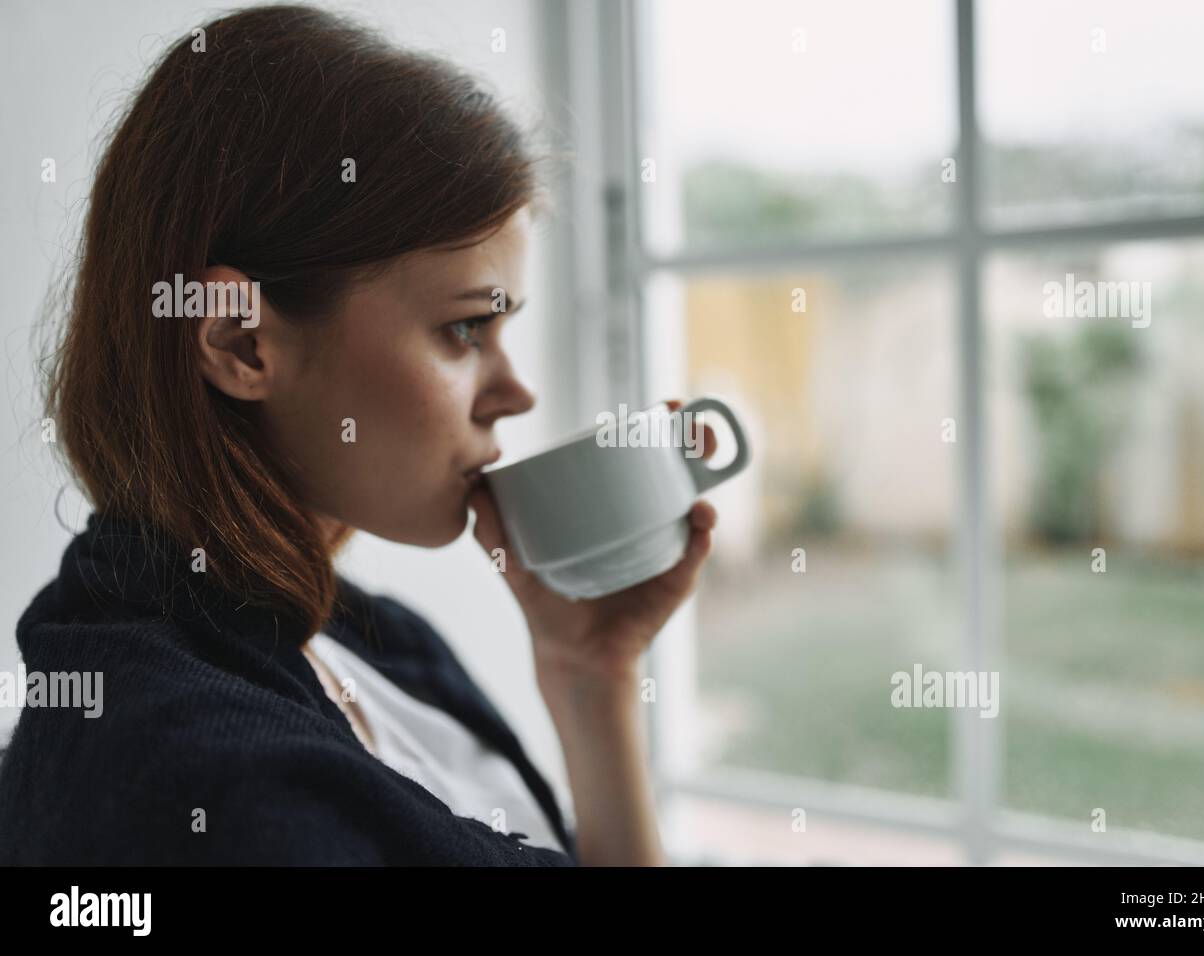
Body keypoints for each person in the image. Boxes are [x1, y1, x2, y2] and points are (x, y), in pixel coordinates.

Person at [0, 3, 718, 866]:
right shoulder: (209, 784)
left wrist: (589, 678)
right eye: (464, 330)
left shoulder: (368, 635)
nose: (516, 393)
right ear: (239, 341)